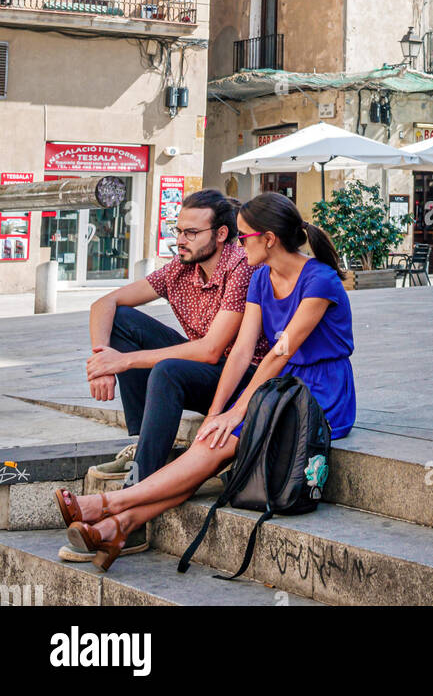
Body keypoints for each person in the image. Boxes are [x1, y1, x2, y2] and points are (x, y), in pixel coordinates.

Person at [56, 193, 356, 572]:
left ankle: (110, 506)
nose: (238, 244)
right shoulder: (262, 277)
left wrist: (236, 413)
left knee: (218, 444)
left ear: (268, 239)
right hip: (276, 386)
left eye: (243, 237)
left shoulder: (321, 280)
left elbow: (280, 352)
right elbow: (243, 349)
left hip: (317, 393)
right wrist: (217, 412)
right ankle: (120, 527)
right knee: (210, 442)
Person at [84, 189, 269, 484]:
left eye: (192, 233)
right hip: (209, 370)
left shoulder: (241, 267)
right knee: (121, 320)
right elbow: (104, 304)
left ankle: (140, 481)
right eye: (179, 230)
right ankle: (147, 444)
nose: (180, 240)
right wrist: (101, 360)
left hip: (244, 379)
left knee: (168, 370)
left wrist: (124, 362)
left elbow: (211, 350)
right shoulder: (181, 268)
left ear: (221, 234)